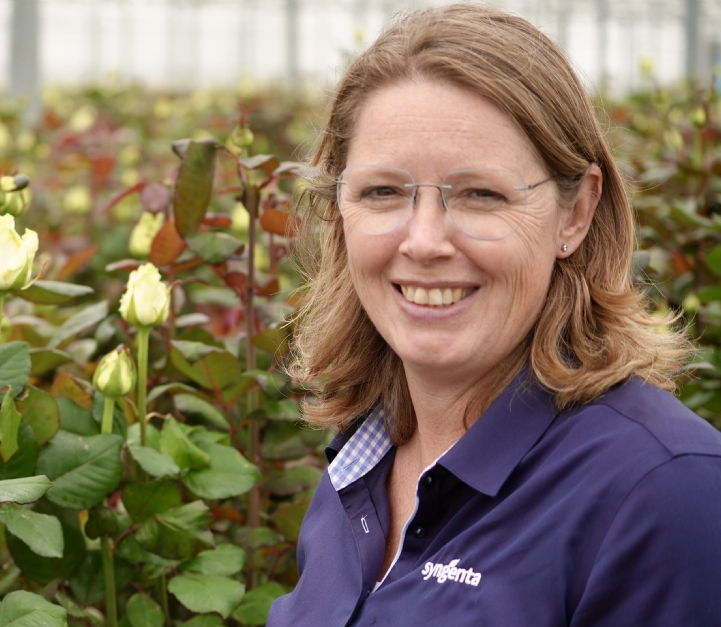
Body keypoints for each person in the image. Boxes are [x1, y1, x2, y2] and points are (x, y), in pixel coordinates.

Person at [269, 4, 721, 626]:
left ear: (575, 214)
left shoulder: (665, 496)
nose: (424, 242)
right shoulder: (359, 470)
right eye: (383, 192)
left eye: (481, 194)